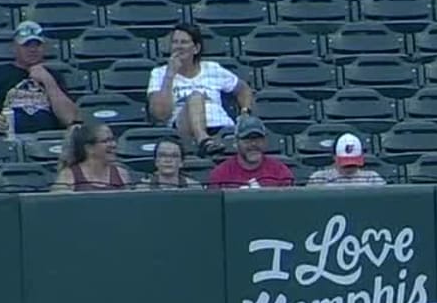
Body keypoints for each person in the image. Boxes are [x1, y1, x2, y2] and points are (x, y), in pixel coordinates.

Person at [146, 23, 255, 157]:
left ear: (196, 48)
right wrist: (170, 74)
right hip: (183, 129)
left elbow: (243, 89)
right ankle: (203, 140)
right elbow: (160, 114)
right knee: (196, 96)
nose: (178, 46)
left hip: (222, 127)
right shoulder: (159, 73)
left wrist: (245, 112)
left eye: (184, 42)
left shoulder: (212, 69)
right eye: (175, 42)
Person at [0, 21, 78, 138]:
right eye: (26, 45)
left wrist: (48, 81)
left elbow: (70, 119)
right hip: (10, 140)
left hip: (47, 139)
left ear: (44, 47)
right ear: (14, 47)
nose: (32, 50)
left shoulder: (54, 75)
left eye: (37, 45)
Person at [207, 115, 294, 189]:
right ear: (235, 143)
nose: (253, 144)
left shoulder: (280, 172)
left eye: (258, 139)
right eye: (247, 140)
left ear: (265, 141)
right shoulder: (221, 175)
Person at [50, 120, 135, 192]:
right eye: (106, 141)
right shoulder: (68, 176)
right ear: (89, 148)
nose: (113, 145)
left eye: (113, 140)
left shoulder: (121, 174)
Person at [306, 133, 387, 186]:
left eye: (353, 163)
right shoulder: (319, 179)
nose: (349, 167)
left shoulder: (372, 178)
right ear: (334, 157)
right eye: (346, 164)